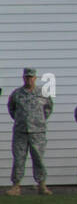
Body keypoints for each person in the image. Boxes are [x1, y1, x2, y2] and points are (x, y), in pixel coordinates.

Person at [7, 67, 53, 196]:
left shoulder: (43, 93)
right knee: (19, 159)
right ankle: (16, 186)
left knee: (38, 159)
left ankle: (42, 185)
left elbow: (48, 109)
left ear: (35, 78)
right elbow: (12, 109)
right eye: (27, 77)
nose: (29, 79)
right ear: (23, 78)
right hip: (20, 132)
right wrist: (21, 120)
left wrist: (38, 121)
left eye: (31, 77)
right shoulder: (17, 94)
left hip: (37, 133)